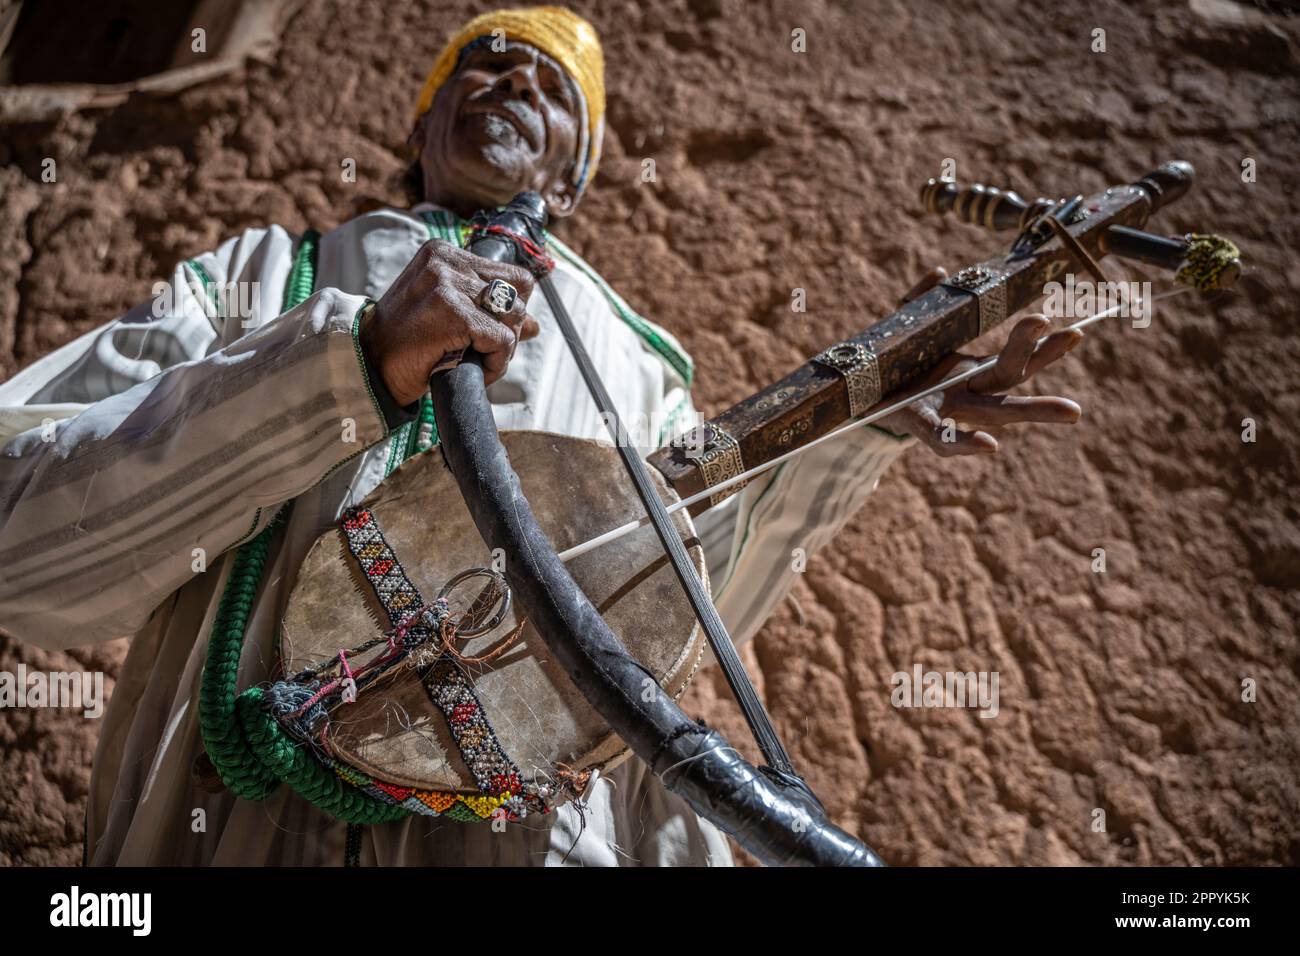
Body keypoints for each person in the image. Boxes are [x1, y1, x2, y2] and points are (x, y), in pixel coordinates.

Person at [0, 6, 1080, 866]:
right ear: (416, 136)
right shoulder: (257, 280)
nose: (517, 80)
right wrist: (345, 365)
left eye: (554, 87)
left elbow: (668, 638)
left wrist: (864, 426)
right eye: (488, 61)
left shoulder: (635, 367)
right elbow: (22, 549)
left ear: (571, 178)